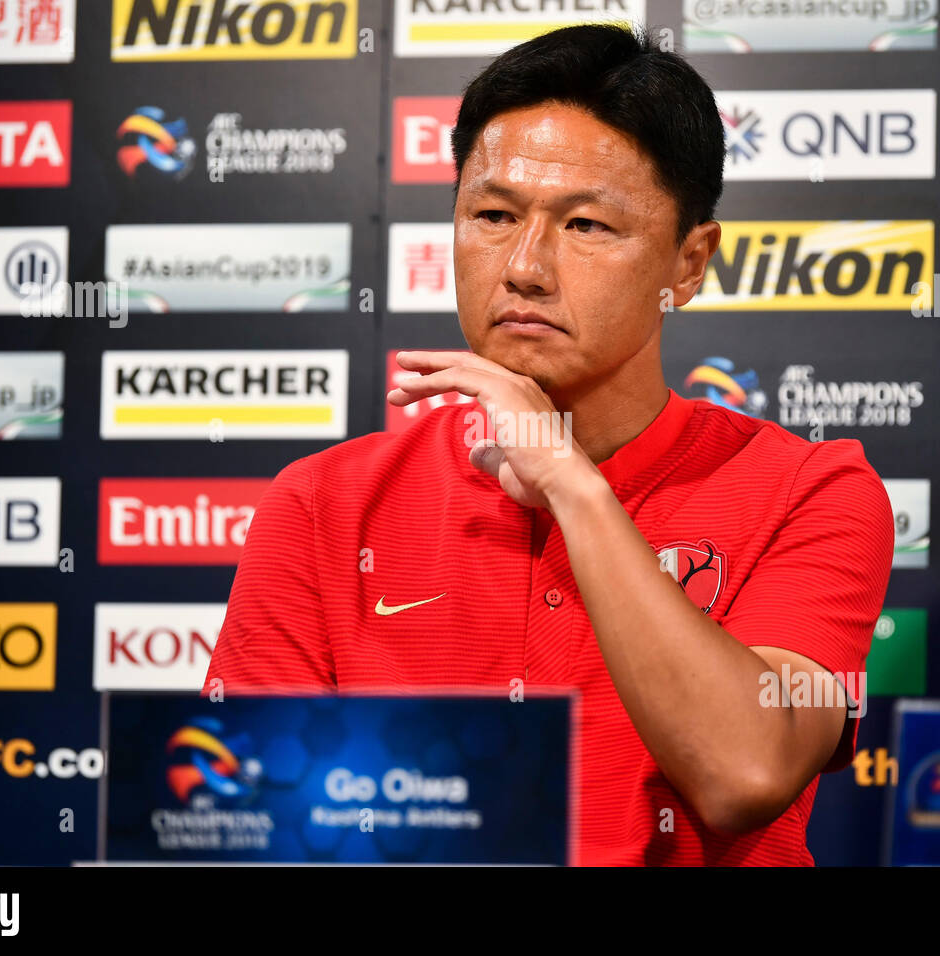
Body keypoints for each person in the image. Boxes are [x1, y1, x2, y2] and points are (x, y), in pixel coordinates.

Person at [202, 22, 894, 866]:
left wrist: (573, 485)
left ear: (690, 261)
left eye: (587, 227)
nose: (524, 266)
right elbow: (250, 827)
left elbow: (747, 772)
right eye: (492, 214)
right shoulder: (322, 503)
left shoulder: (810, 489)